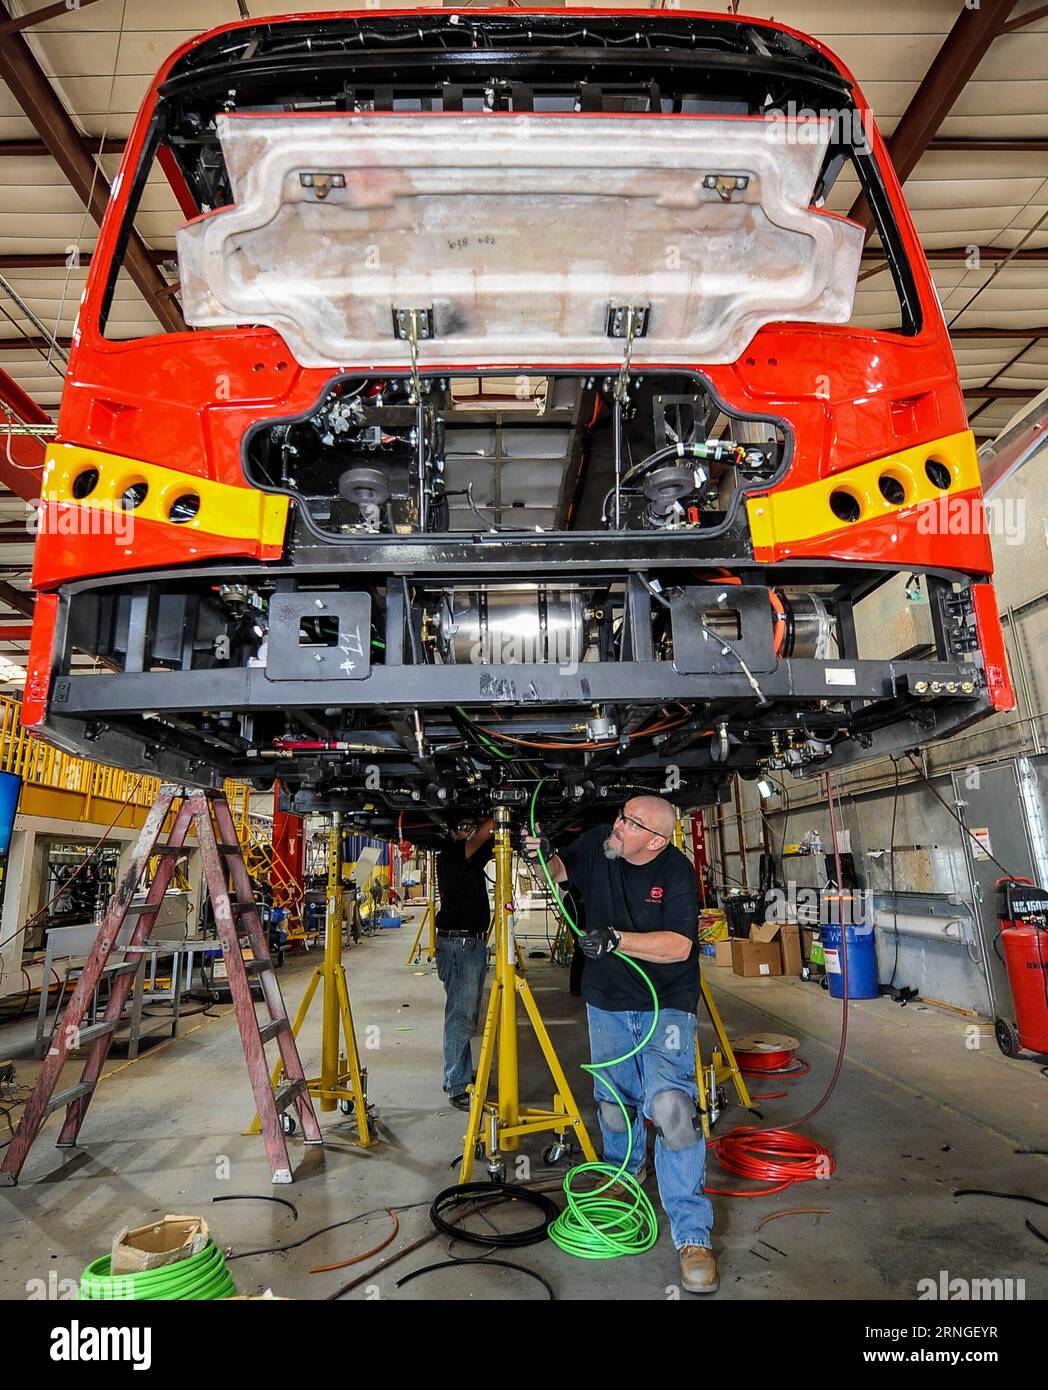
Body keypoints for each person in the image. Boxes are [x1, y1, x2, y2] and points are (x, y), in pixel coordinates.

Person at [524, 795, 716, 1294]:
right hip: (607, 1001)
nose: (616, 826)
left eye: (628, 823)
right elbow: (561, 872)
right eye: (619, 816)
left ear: (655, 839)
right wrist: (542, 853)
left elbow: (679, 945)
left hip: (665, 1003)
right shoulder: (599, 846)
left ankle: (692, 1235)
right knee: (613, 1104)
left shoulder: (676, 872)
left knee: (672, 1108)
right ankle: (622, 1188)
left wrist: (615, 939)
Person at [435, 815, 494, 1110]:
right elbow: (482, 836)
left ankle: (459, 1074)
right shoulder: (450, 855)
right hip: (460, 945)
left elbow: (487, 841)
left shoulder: (470, 859)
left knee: (463, 1013)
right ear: (451, 831)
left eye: (471, 825)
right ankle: (457, 1086)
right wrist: (500, 807)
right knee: (460, 1015)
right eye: (463, 825)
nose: (469, 830)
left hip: (465, 944)